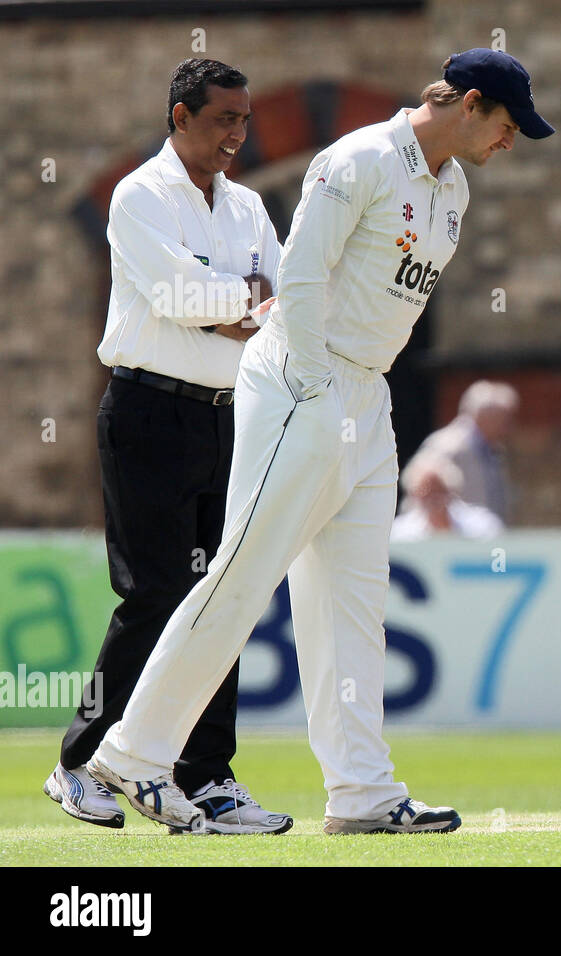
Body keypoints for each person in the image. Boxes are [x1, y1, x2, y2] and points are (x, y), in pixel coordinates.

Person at [87, 49, 552, 834]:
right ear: (471, 103)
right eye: (509, 125)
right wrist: (308, 382)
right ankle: (128, 758)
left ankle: (362, 793)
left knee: (354, 601)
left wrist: (356, 396)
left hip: (368, 394)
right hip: (303, 377)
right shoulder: (360, 157)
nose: (512, 141)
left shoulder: (454, 188)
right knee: (241, 574)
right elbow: (298, 275)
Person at [44, 59, 292, 834]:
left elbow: (279, 302)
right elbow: (183, 299)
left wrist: (235, 303)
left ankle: (206, 775)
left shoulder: (249, 204)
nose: (237, 135)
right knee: (152, 594)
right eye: (222, 119)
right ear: (179, 116)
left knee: (221, 597)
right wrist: (235, 298)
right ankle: (79, 763)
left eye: (243, 120)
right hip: (148, 411)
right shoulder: (139, 194)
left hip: (229, 414)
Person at [418, 380, 518, 523]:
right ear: (488, 416)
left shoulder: (491, 448)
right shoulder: (448, 446)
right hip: (453, 537)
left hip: (484, 534)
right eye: (505, 419)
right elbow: (420, 490)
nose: (508, 427)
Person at [391, 449, 504, 540]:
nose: (433, 499)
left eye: (439, 490)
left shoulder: (481, 525)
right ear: (414, 495)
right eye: (425, 492)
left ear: (451, 490)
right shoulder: (400, 533)